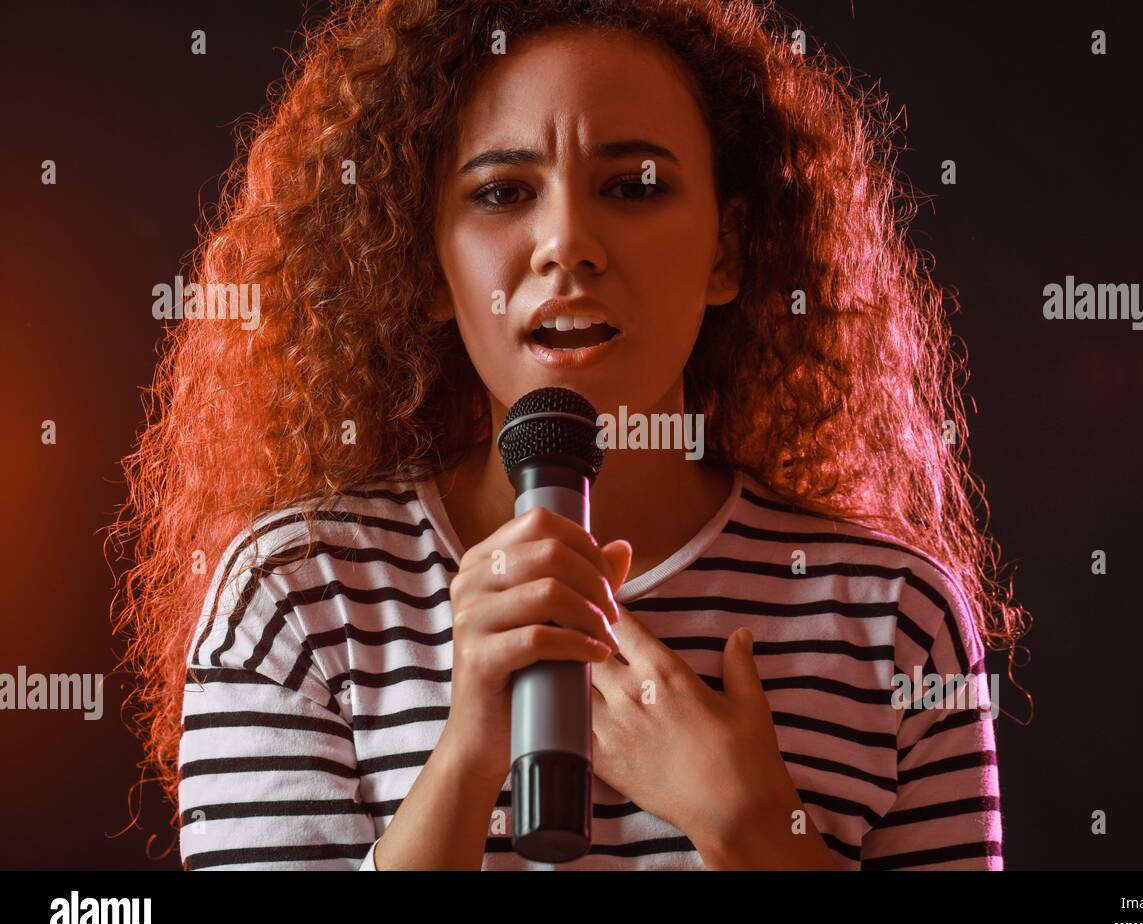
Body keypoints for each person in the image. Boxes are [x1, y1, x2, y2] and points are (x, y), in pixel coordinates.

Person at [109, 0, 1029, 871]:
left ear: (727, 252)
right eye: (503, 192)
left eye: (633, 186)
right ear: (427, 265)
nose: (567, 243)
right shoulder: (295, 599)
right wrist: (469, 749)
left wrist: (750, 827)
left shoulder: (896, 622)